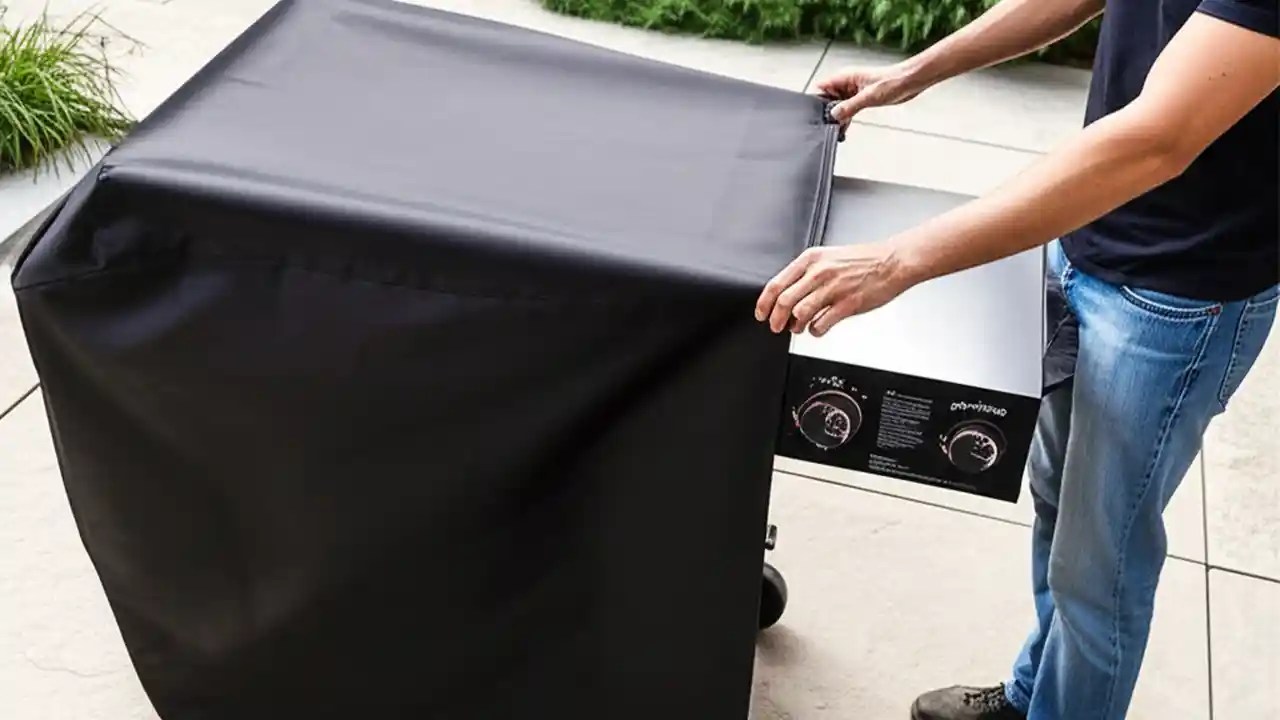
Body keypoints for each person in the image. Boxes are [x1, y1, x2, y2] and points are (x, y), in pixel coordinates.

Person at [753, 0, 1279, 718]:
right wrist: (916, 72)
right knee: (1060, 507)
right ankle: (1037, 695)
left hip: (1178, 294)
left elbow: (1160, 137)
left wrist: (900, 259)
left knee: (1101, 569)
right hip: (1089, 231)